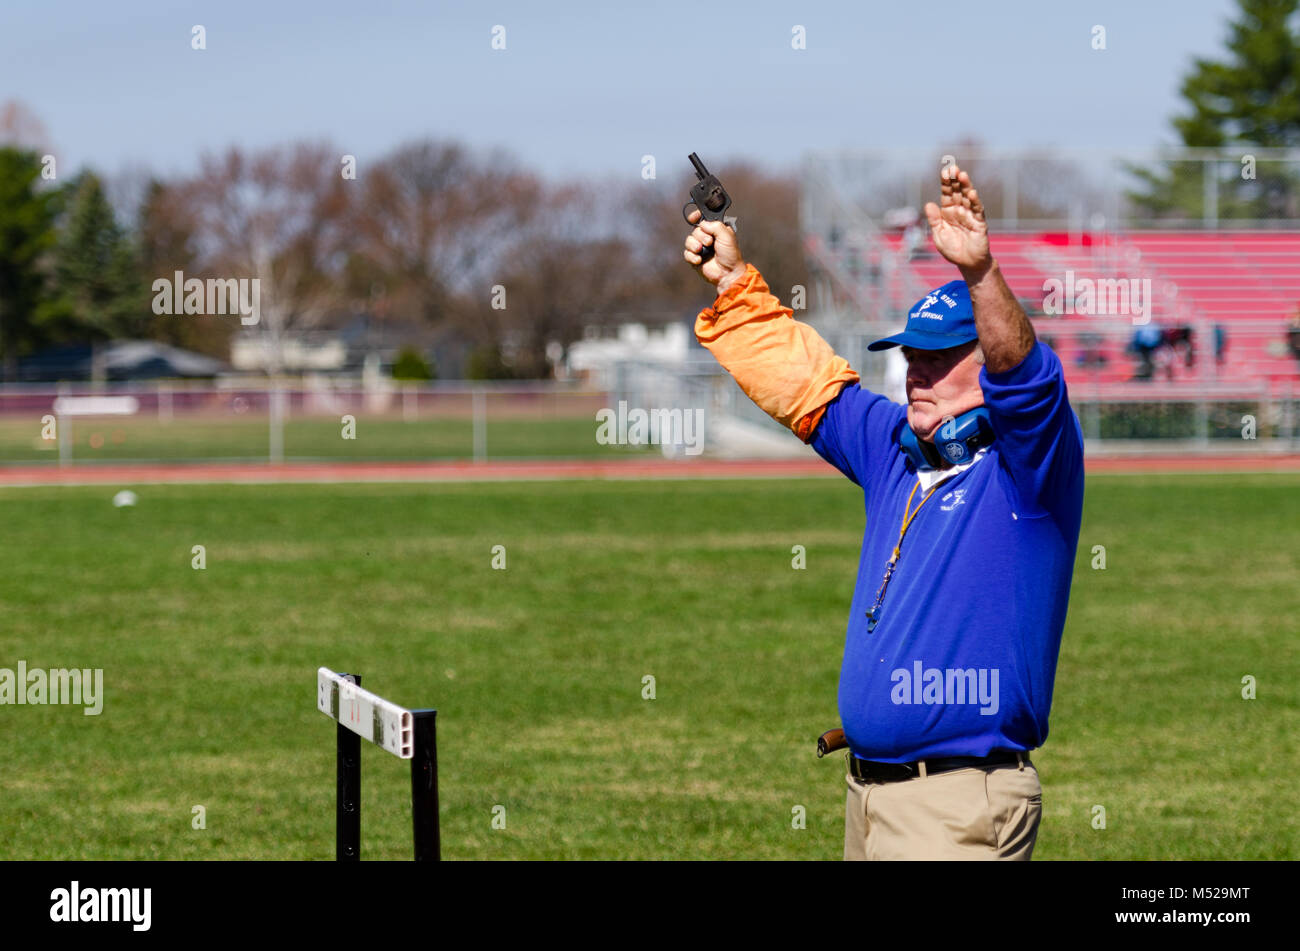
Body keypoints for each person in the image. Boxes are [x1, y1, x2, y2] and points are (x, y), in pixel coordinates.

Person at [683, 164, 1084, 861]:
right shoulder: (894, 450)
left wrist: (981, 271)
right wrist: (732, 280)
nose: (914, 374)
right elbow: (805, 381)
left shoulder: (1029, 472)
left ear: (983, 365)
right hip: (867, 798)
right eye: (909, 359)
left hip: (958, 806)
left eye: (936, 360)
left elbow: (1025, 376)